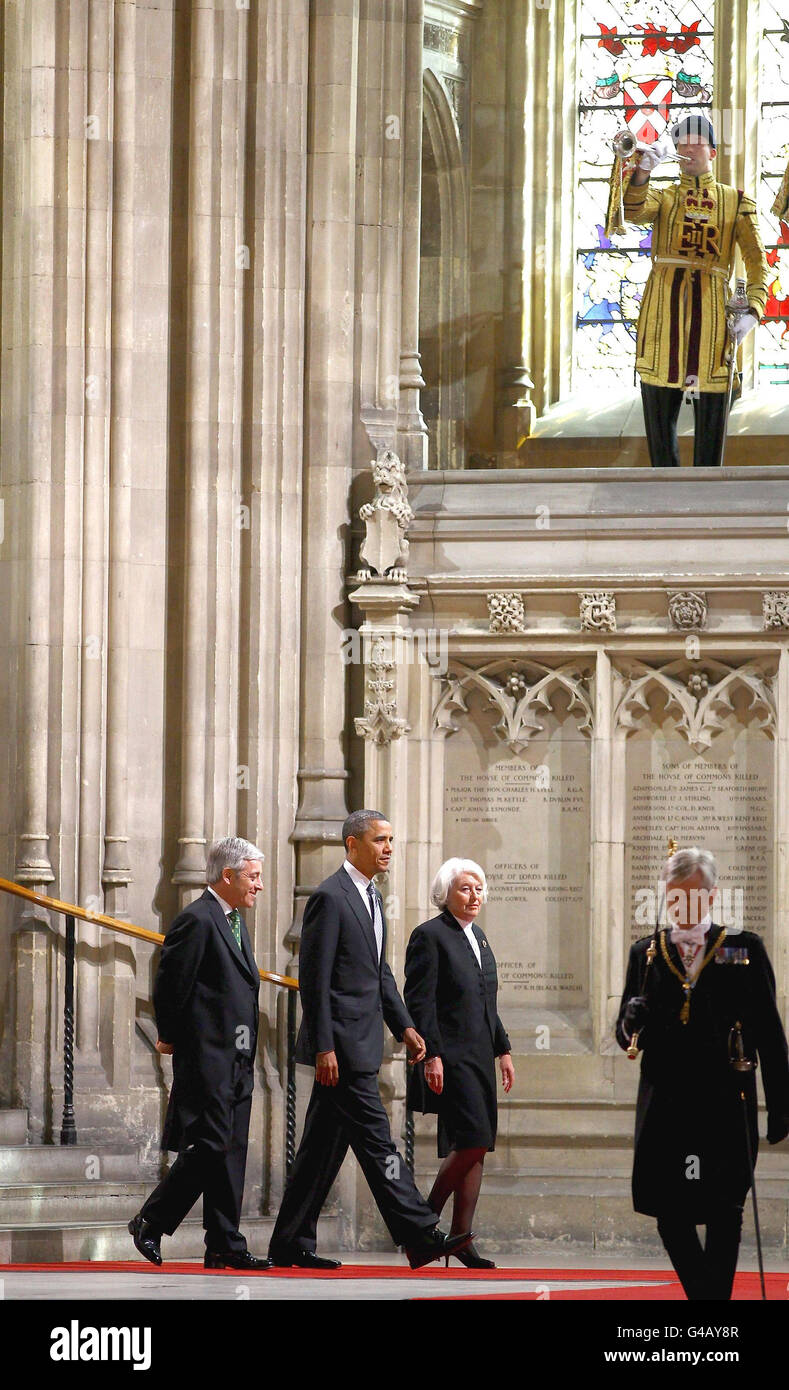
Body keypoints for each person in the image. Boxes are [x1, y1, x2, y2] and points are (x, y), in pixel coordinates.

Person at [268, 810, 472, 1270]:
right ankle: (420, 1234)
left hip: (362, 1043)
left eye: (392, 840)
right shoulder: (329, 897)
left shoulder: (373, 898)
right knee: (380, 1143)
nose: (388, 849)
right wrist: (323, 1046)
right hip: (340, 1048)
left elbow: (380, 975)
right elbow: (314, 981)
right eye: (380, 840)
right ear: (352, 845)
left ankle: (289, 1242)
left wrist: (405, 1027)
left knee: (321, 1151)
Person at [616, 846, 789, 1300]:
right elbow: (623, 1034)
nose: (683, 903)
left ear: (711, 896)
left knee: (724, 1209)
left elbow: (771, 1035)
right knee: (670, 1212)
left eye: (693, 893)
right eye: (674, 894)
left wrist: (782, 1108)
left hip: (725, 1102)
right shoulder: (646, 952)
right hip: (667, 1103)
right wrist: (631, 1020)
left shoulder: (743, 948)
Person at [129, 837, 270, 1270]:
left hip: (239, 1057)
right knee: (209, 1145)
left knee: (230, 1149)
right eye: (253, 876)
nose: (259, 886)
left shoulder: (233, 920)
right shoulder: (197, 919)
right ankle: (150, 1220)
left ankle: (225, 1243)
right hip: (208, 1056)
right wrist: (169, 1035)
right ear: (227, 876)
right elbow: (171, 982)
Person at [624, 113, 768, 468]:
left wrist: (753, 311)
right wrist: (642, 172)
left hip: (713, 323)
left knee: (710, 444)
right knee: (660, 439)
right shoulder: (665, 197)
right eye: (682, 142)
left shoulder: (736, 200)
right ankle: (664, 505)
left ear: (713, 152)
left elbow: (756, 262)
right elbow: (632, 211)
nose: (688, 148)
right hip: (662, 322)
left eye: (696, 142)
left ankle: (707, 507)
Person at [404, 858, 514, 1268]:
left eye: (479, 889)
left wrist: (503, 1050)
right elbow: (419, 1000)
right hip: (450, 1057)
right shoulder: (429, 936)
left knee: (478, 1146)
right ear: (445, 893)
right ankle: (421, 1229)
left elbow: (487, 1002)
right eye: (465, 888)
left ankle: (459, 1239)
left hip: (480, 1056)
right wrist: (430, 1054)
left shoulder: (479, 937)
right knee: (470, 1141)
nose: (474, 896)